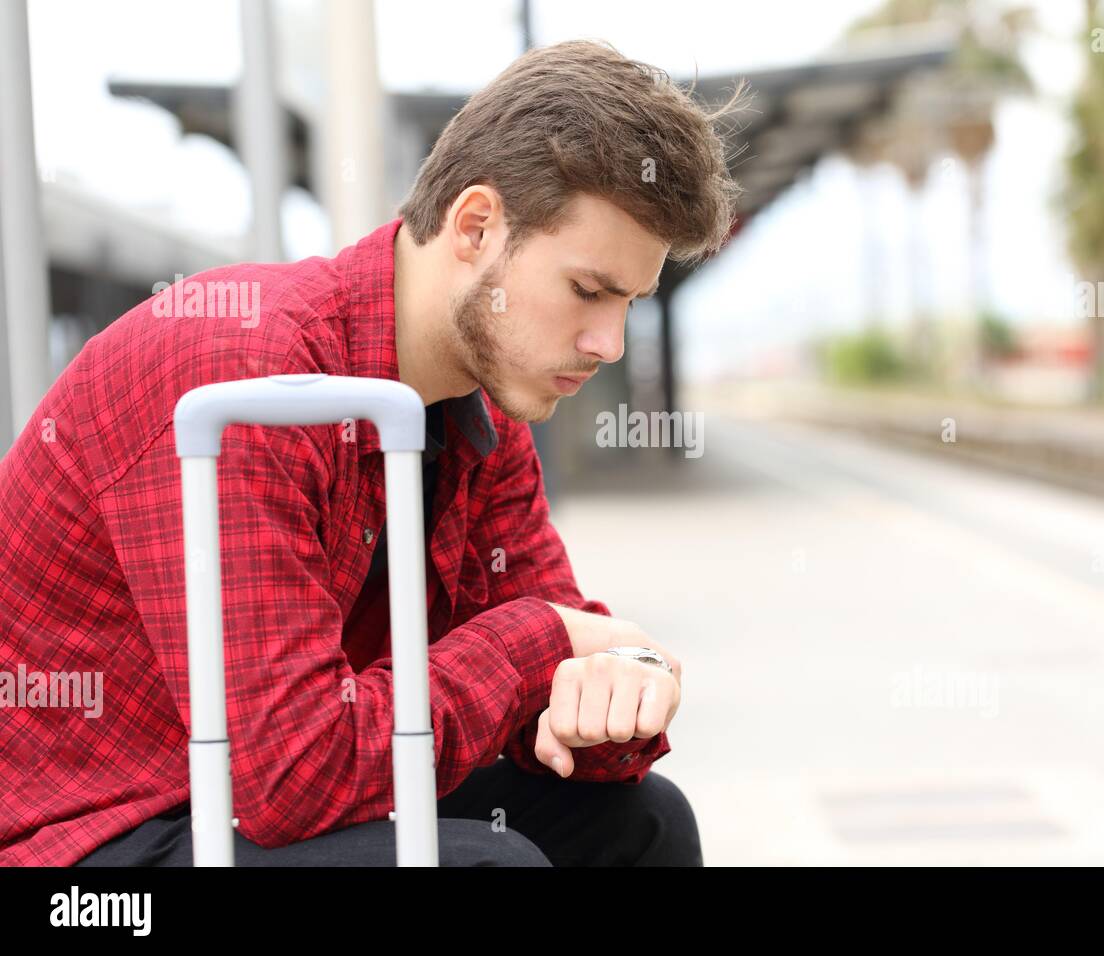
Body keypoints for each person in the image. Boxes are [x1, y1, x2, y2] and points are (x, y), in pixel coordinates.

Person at [0, 38, 745, 866]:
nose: (609, 342)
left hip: (252, 813)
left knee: (644, 824)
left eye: (631, 303)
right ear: (475, 226)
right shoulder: (247, 374)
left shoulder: (480, 414)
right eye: (587, 291)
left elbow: (559, 691)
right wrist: (546, 644)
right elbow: (292, 777)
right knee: (488, 865)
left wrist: (622, 684)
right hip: (97, 846)